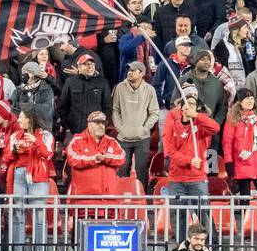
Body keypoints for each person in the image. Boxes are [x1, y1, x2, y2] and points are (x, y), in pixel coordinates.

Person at [161, 90, 220, 241]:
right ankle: (181, 245)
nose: (190, 106)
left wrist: (197, 116)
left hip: (197, 178)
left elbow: (216, 128)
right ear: (180, 107)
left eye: (193, 103)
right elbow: (169, 151)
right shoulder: (172, 125)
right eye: (187, 103)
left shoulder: (201, 124)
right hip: (177, 178)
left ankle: (211, 245)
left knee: (204, 212)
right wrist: (188, 160)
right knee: (178, 214)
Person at [6, 108, 56, 251]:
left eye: (21, 117)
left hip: (39, 176)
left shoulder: (45, 135)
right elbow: (7, 158)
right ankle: (18, 250)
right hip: (19, 175)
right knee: (18, 213)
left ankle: (39, 250)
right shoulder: (15, 136)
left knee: (39, 214)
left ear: (30, 119)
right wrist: (14, 151)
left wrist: (36, 141)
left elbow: (48, 155)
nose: (18, 120)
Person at [111, 60, 158, 188]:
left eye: (133, 70)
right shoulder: (119, 87)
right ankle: (121, 201)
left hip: (142, 138)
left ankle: (143, 201)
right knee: (122, 169)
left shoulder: (149, 90)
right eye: (129, 70)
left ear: (141, 73)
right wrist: (120, 128)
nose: (129, 73)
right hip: (123, 137)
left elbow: (154, 112)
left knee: (141, 170)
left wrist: (145, 128)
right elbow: (115, 110)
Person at [222, 90, 257, 195]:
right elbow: (227, 143)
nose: (250, 101)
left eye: (252, 98)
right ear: (240, 102)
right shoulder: (233, 120)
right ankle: (244, 212)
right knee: (244, 201)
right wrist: (229, 162)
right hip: (242, 165)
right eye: (247, 99)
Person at [65, 111, 127, 197]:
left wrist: (105, 158)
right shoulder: (77, 141)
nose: (101, 126)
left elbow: (121, 157)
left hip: (109, 201)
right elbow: (73, 159)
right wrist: (94, 159)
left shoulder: (112, 142)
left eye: (103, 123)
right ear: (89, 124)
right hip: (84, 201)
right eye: (97, 123)